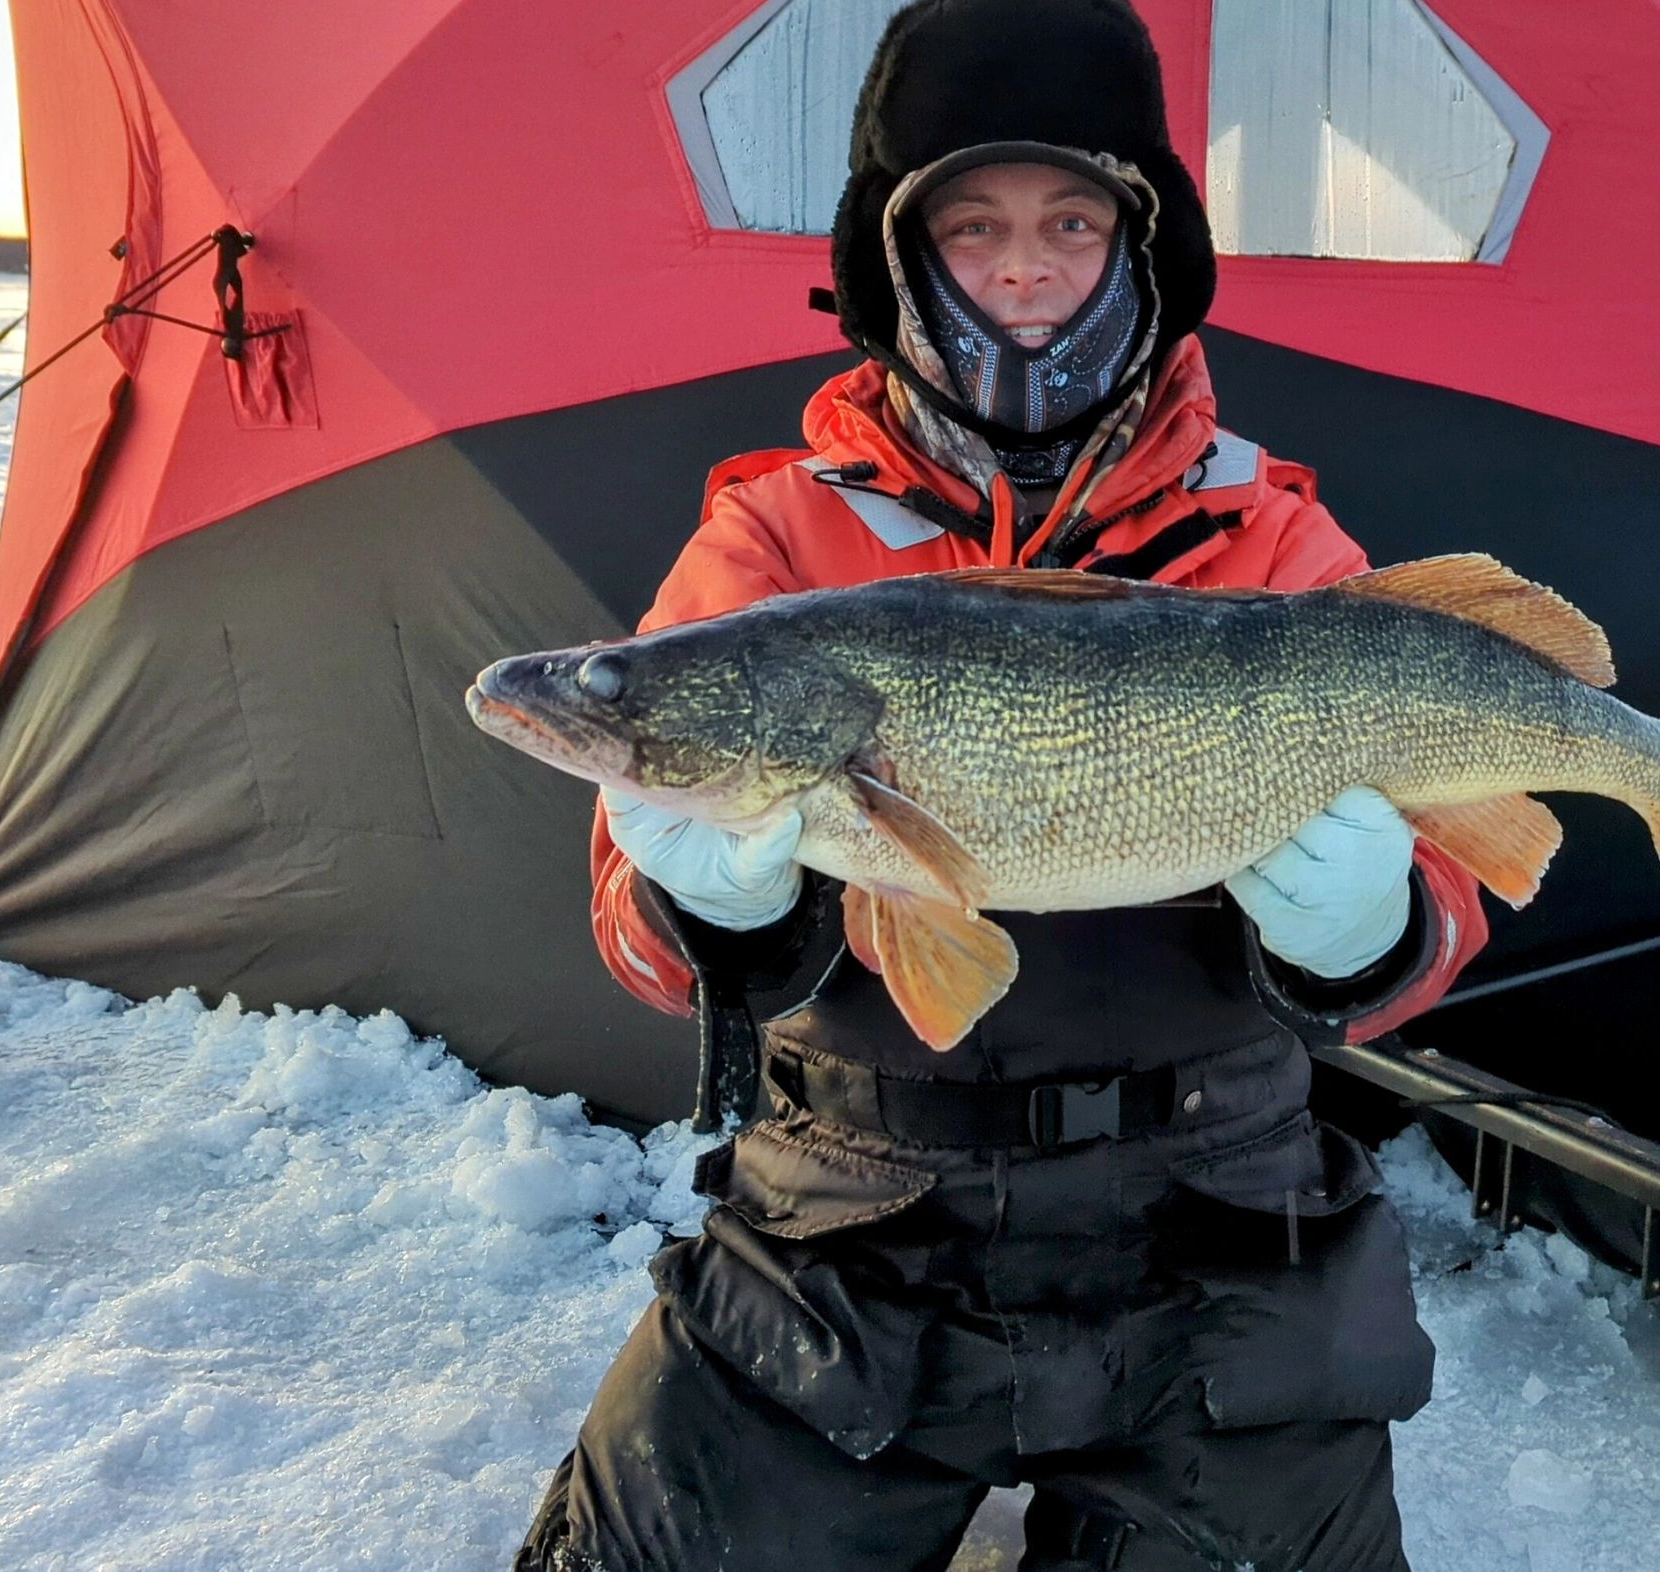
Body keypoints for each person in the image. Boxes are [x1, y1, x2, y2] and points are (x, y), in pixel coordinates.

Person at [514, 2, 1488, 1566]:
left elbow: (1442, 912)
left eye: (1071, 220)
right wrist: (707, 910)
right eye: (971, 227)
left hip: (1225, 1218)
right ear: (899, 256)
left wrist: (1363, 930)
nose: (1023, 265)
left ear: (1142, 245)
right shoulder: (769, 543)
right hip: (854, 1217)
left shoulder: (1283, 547)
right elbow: (633, 936)